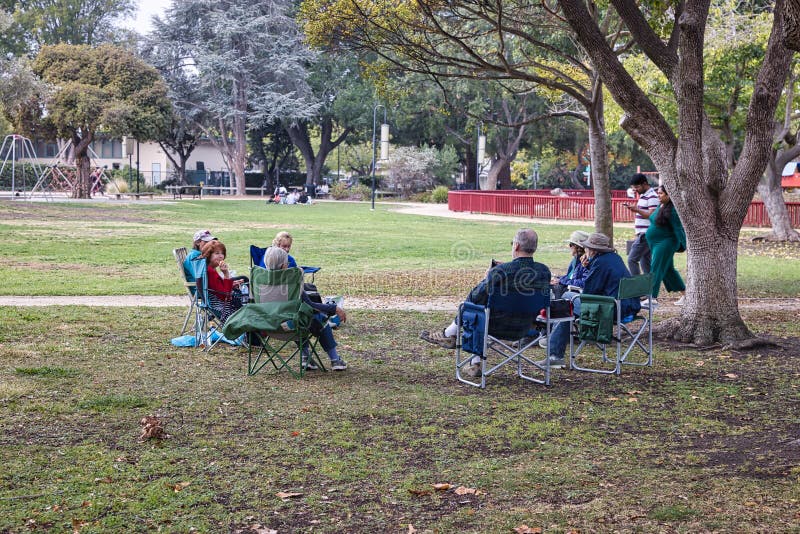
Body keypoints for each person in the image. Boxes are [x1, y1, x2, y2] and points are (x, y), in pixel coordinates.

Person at [419, 229, 551, 378]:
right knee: (480, 311)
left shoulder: (500, 271)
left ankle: (460, 345)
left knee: (473, 310)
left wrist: (487, 277)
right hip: (527, 327)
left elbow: (475, 296)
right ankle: (453, 337)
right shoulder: (544, 271)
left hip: (495, 326)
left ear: (516, 246)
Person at [538, 232, 642, 369]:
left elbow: (590, 291)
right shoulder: (614, 258)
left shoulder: (599, 263)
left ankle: (554, 352)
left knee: (567, 302)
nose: (585, 250)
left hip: (612, 310)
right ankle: (553, 350)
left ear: (592, 250)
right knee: (568, 306)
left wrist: (589, 268)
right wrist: (588, 267)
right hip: (629, 306)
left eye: (587, 248)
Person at [263, 246, 349, 371]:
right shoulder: (291, 280)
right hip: (291, 326)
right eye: (287, 263)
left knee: (297, 318)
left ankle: (305, 358)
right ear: (283, 266)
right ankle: (335, 360)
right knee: (317, 318)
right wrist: (334, 308)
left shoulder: (260, 280)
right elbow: (311, 306)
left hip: (269, 325)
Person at [645, 185, 686, 306]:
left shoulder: (673, 210)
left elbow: (678, 229)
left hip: (665, 243)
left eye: (661, 194)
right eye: (658, 193)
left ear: (669, 195)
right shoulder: (661, 205)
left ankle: (652, 297)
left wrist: (684, 245)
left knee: (656, 267)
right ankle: (686, 295)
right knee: (668, 270)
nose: (658, 195)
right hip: (656, 243)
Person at [200, 240, 247, 323]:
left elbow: (220, 288)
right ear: (208, 255)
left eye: (222, 253)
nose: (221, 256)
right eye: (217, 253)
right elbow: (225, 296)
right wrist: (226, 274)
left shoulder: (210, 269)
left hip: (220, 303)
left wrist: (232, 284)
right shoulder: (210, 272)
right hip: (223, 308)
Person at [623, 174, 659, 276]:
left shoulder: (652, 196)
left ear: (645, 184)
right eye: (634, 188)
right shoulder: (644, 195)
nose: (635, 190)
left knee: (632, 259)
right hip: (643, 233)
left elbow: (652, 215)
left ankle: (637, 284)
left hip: (646, 233)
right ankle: (649, 286)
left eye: (637, 187)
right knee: (645, 261)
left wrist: (637, 210)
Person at [551, 229, 590, 299]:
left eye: (571, 244)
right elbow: (570, 277)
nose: (569, 246)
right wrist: (557, 279)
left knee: (554, 289)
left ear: (579, 248)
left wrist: (561, 281)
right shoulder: (575, 260)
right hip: (570, 288)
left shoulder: (586, 262)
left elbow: (583, 283)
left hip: (576, 292)